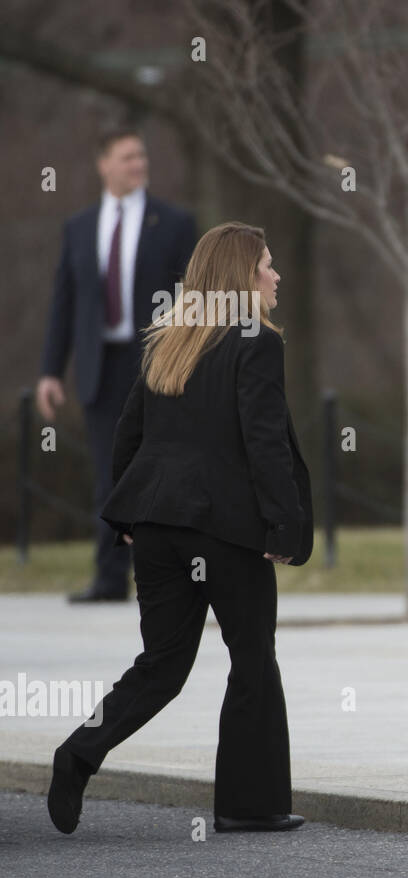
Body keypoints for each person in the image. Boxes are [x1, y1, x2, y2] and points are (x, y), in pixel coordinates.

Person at [46, 222, 313, 835]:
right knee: (251, 659)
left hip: (159, 524)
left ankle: (78, 753)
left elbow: (128, 434)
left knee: (162, 664)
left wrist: (128, 515)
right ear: (243, 277)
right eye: (267, 265)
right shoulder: (257, 342)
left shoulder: (171, 339)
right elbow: (265, 443)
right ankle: (250, 807)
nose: (276, 276)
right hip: (226, 529)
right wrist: (282, 526)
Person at [37, 127, 197, 602]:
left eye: (142, 156)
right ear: (103, 164)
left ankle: (180, 574)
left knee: (168, 466)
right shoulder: (80, 228)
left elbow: (192, 298)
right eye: (127, 157)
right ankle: (110, 578)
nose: (138, 164)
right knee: (110, 473)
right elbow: (64, 303)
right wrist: (50, 371)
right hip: (99, 365)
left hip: (155, 360)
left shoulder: (173, 223)